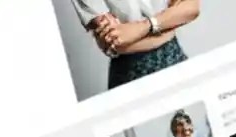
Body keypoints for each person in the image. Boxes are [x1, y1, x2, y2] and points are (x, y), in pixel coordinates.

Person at [71, 0, 202, 91]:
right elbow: (114, 40)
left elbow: (191, 8)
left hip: (174, 58)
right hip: (130, 73)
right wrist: (168, 21)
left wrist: (142, 27)